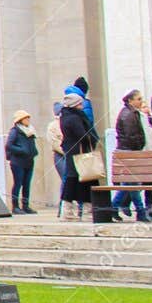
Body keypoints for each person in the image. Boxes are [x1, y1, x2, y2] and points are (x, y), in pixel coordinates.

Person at [58, 90, 101, 220]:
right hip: (80, 153)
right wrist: (92, 139)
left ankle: (69, 210)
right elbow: (83, 135)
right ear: (75, 105)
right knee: (84, 180)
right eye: (80, 104)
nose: (82, 106)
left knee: (74, 179)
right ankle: (85, 210)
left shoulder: (65, 116)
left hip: (73, 152)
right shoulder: (75, 118)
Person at [111, 90, 150, 221]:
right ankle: (141, 211)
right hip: (128, 152)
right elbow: (130, 136)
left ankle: (113, 207)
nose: (141, 101)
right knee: (132, 183)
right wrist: (139, 146)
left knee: (129, 184)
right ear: (130, 100)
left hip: (129, 151)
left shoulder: (132, 113)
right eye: (138, 99)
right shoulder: (128, 115)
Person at [4, 110, 38, 213]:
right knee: (18, 183)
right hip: (18, 162)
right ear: (20, 120)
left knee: (27, 184)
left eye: (28, 118)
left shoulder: (30, 131)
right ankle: (15, 206)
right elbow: (9, 145)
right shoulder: (15, 131)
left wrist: (34, 152)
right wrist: (22, 150)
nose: (28, 120)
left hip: (29, 161)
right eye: (26, 118)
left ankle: (25, 206)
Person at [45, 102, 67, 214]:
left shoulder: (66, 122)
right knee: (65, 179)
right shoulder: (52, 126)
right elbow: (55, 143)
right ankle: (63, 205)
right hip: (60, 155)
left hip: (68, 153)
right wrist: (66, 151)